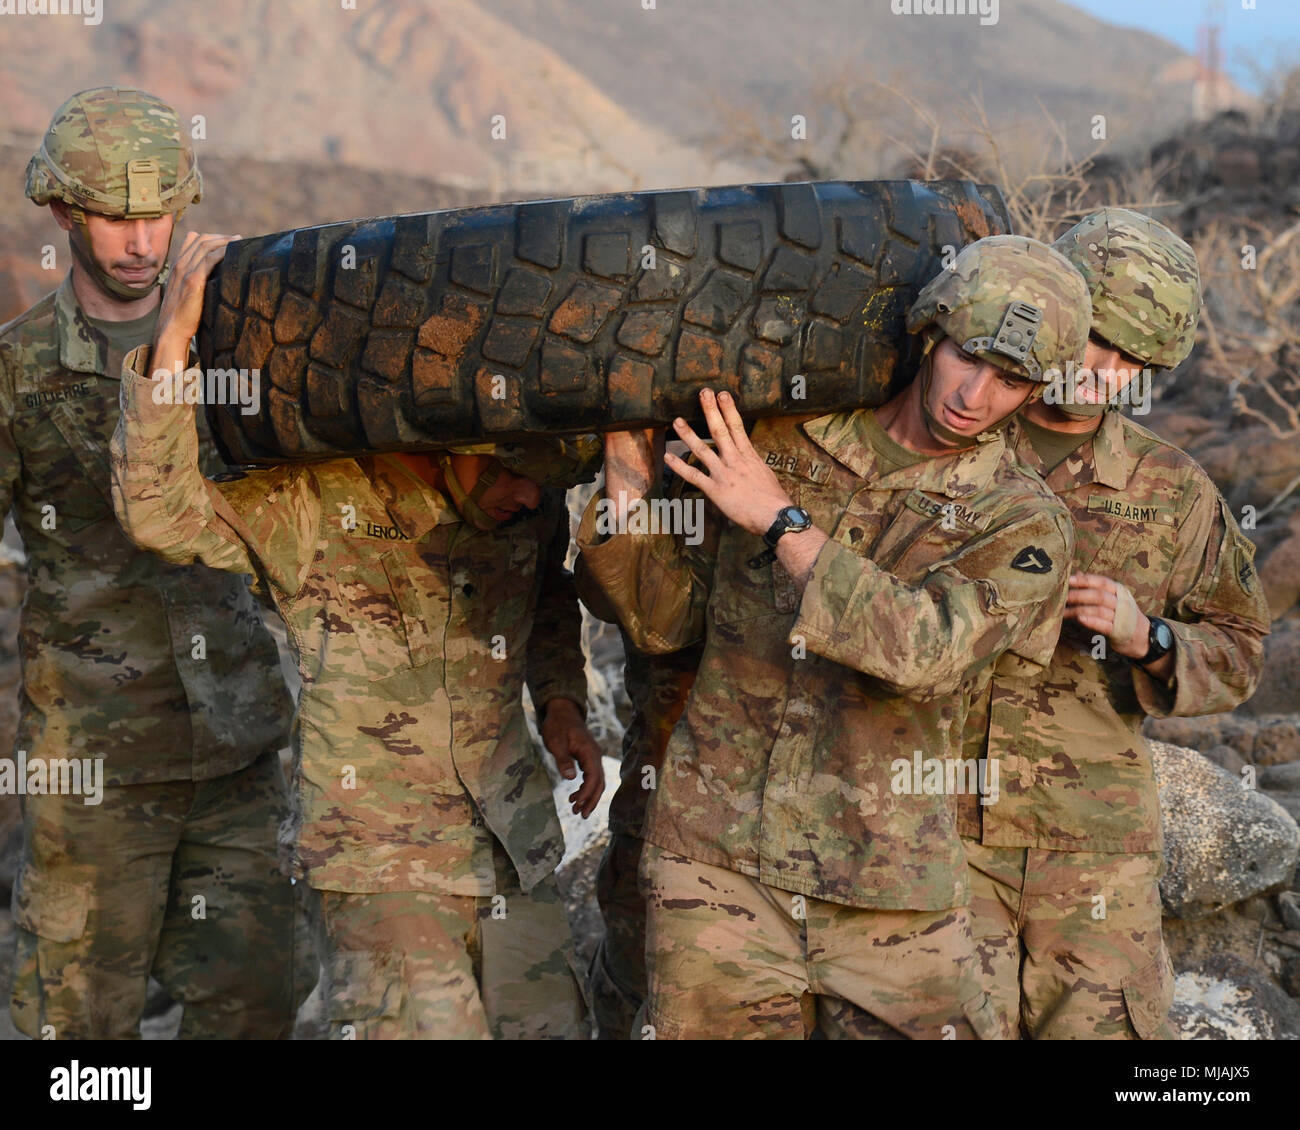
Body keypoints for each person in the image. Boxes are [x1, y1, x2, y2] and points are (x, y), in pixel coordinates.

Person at [575, 234, 1089, 1038]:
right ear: (930, 334)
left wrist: (782, 523)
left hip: (888, 888)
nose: (976, 394)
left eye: (1012, 379)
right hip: (717, 868)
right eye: (968, 356)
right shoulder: (778, 443)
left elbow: (926, 651)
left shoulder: (1023, 519)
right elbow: (662, 621)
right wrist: (625, 464)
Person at [111, 230, 605, 1039]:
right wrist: (170, 345)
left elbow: (548, 595)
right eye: (509, 471)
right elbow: (159, 512)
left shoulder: (531, 503)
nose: (527, 495)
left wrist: (560, 701)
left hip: (511, 835)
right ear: (449, 438)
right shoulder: (319, 502)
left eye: (544, 481)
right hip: (379, 857)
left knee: (550, 1028)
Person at [3, 86, 302, 1039]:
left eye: (158, 213)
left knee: (254, 1008)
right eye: (115, 216)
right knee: (82, 1028)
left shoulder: (242, 348)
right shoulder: (17, 372)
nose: (142, 241)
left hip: (237, 750)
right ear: (63, 212)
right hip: (91, 766)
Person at [960, 208, 1272, 1039]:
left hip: (1089, 852)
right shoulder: (955, 445)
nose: (1106, 369)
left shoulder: (1173, 490)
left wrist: (1151, 638)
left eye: (1133, 358)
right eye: (1096, 340)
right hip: (940, 839)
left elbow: (1243, 650)